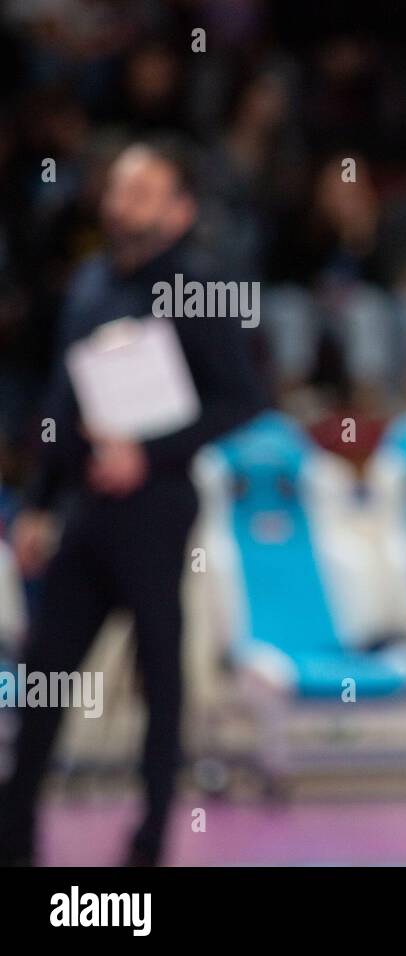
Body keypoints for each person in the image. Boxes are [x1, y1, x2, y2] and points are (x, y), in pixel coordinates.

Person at [0, 138, 267, 866]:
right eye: (120, 188)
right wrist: (37, 501)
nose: (127, 202)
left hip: (156, 507)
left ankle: (151, 841)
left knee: (161, 674)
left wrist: (148, 451)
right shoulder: (89, 281)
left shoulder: (200, 284)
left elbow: (241, 400)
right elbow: (62, 394)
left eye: (146, 191)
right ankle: (15, 830)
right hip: (83, 508)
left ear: (180, 210)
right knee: (48, 670)